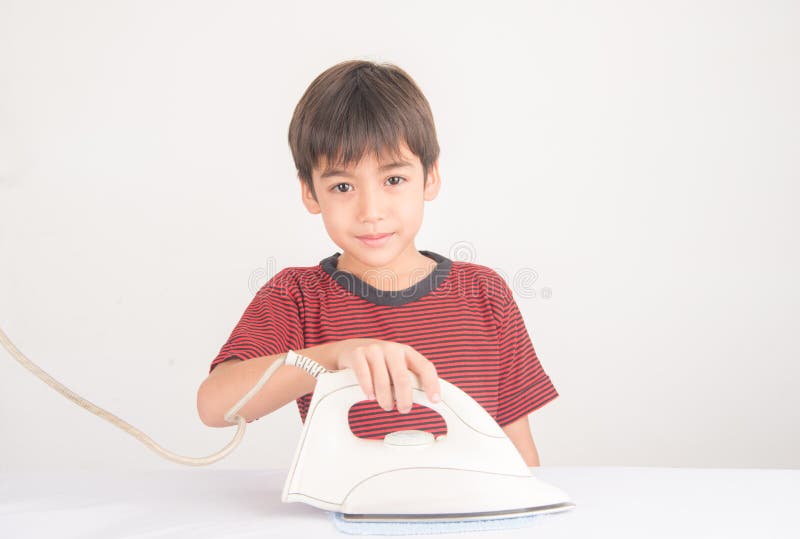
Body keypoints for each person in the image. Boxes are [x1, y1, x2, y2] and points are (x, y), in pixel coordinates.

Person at [196, 59, 558, 466]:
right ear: (310, 193)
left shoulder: (484, 294)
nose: (371, 210)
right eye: (343, 186)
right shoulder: (296, 297)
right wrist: (335, 356)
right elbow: (214, 406)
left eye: (393, 180)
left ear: (431, 176)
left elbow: (522, 455)